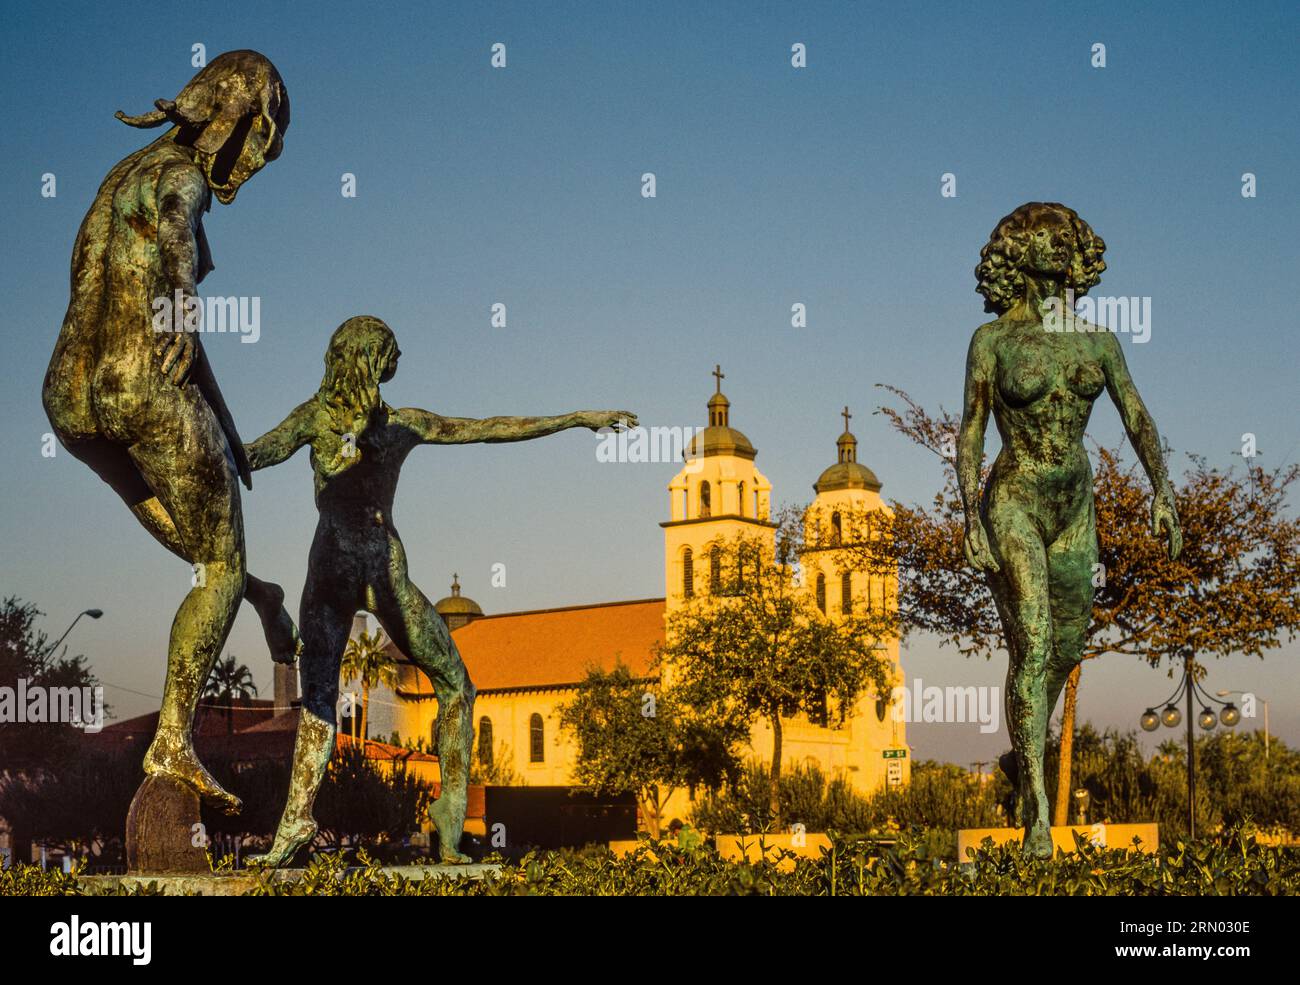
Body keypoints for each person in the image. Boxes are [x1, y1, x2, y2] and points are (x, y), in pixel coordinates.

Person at [245, 315, 636, 864]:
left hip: (373, 571)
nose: (391, 368)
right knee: (340, 699)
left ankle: (441, 817)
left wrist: (575, 419)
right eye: (386, 358)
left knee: (436, 686)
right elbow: (250, 455)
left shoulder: (398, 424)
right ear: (365, 360)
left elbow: (490, 427)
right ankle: (305, 824)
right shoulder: (344, 421)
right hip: (348, 569)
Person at [42, 52, 298, 815]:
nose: (252, 164)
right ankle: (174, 737)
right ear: (237, 124)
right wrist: (187, 300)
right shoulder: (180, 176)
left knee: (198, 539)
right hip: (142, 388)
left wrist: (218, 414)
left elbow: (137, 301)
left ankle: (258, 592)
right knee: (221, 554)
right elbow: (179, 232)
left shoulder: (121, 175)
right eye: (259, 143)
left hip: (69, 393)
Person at [956, 203, 1181, 857]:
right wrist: (970, 512)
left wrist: (1161, 488)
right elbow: (971, 427)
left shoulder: (1098, 342)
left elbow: (1136, 412)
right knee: (1032, 637)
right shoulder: (992, 340)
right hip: (1014, 498)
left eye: (1065, 233)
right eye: (1042, 234)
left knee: (1066, 648)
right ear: (1017, 251)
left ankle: (1026, 763)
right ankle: (1038, 820)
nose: (1057, 242)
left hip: (1074, 502)